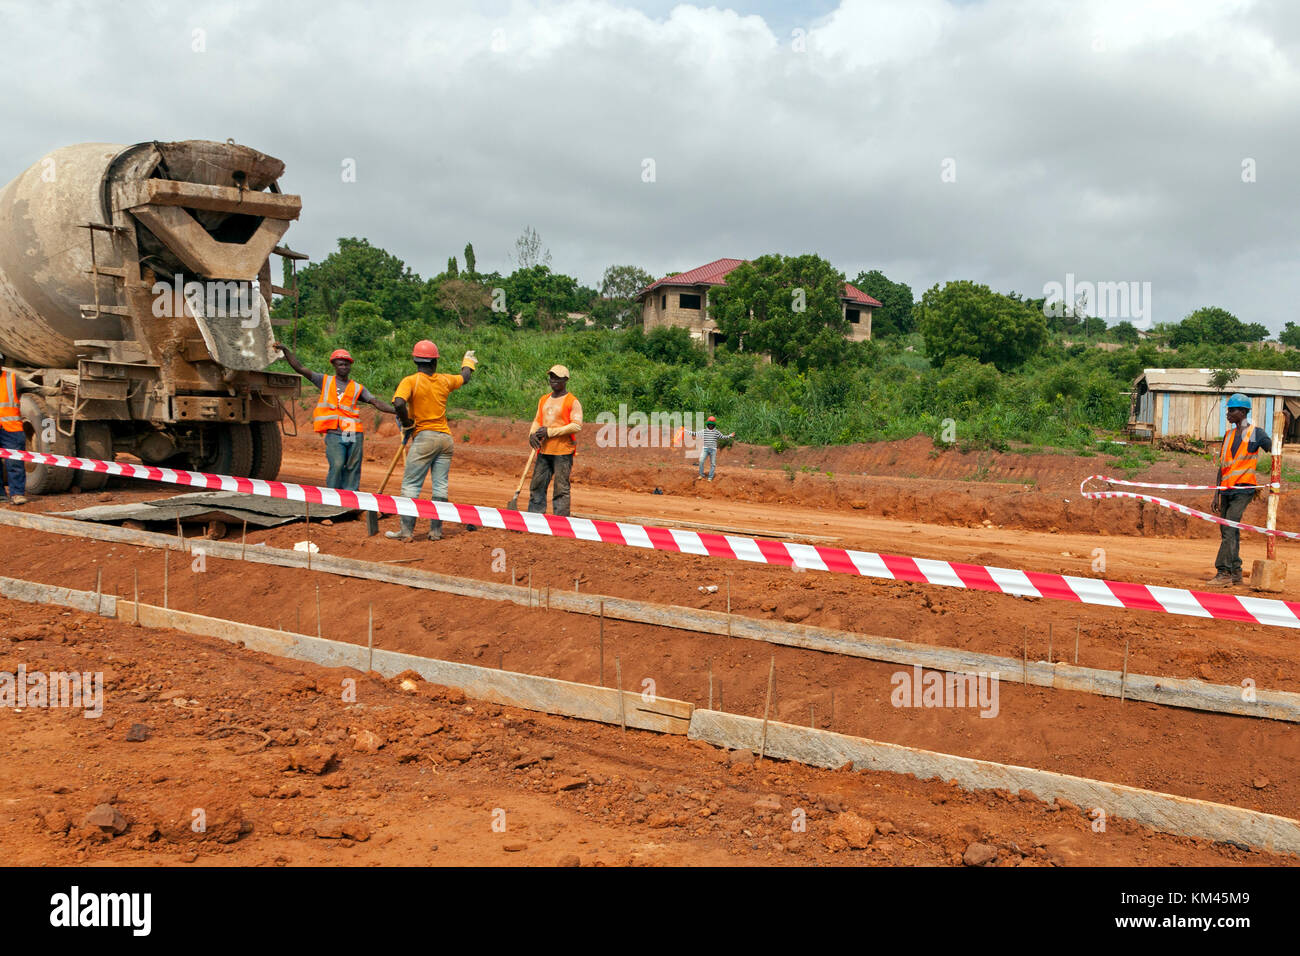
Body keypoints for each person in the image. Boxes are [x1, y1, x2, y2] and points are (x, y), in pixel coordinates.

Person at [387, 340, 477, 541]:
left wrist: (406, 422)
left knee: (411, 485)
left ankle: (407, 531)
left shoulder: (410, 381)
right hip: (445, 439)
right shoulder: (444, 380)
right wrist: (468, 362)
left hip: (425, 438)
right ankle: (436, 531)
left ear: (415, 360)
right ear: (435, 362)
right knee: (440, 486)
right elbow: (465, 377)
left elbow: (399, 402)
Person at [275, 343, 396, 491]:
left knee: (353, 465)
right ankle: (332, 496)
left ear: (350, 366)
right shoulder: (324, 380)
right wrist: (286, 350)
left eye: (346, 364)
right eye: (340, 364)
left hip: (350, 431)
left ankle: (351, 497)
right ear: (334, 365)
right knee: (337, 464)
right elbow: (299, 368)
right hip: (333, 432)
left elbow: (376, 402)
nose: (344, 367)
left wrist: (397, 411)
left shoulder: (357, 387)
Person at [1208, 393, 1272, 587]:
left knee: (1229, 527)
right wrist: (1216, 494)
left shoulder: (1257, 433)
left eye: (1231, 410)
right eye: (1228, 410)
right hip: (1226, 489)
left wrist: (1283, 430)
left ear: (1243, 412)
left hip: (1244, 488)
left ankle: (1223, 572)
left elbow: (1274, 449)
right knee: (1228, 530)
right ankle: (1236, 572)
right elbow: (1222, 466)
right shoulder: (1228, 436)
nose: (1228, 414)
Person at [528, 365, 582, 516]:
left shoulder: (572, 401)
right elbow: (537, 420)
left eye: (557, 378)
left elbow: (576, 426)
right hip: (544, 450)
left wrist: (550, 432)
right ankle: (534, 517)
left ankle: (561, 521)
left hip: (563, 452)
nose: (553, 380)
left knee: (561, 488)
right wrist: (532, 434)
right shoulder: (544, 399)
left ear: (565, 380)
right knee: (537, 485)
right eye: (552, 377)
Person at [0, 351, 48, 506]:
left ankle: (17, 494)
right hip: (10, 428)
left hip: (11, 429)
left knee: (14, 462)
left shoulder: (12, 379)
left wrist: (55, 391)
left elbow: (35, 389)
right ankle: (1, 495)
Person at [685, 415, 735, 481]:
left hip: (713, 450)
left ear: (714, 425)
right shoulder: (704, 431)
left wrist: (730, 435)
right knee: (701, 461)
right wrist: (685, 431)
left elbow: (723, 437)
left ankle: (710, 477)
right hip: (705, 449)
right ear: (708, 424)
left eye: (712, 424)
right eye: (709, 424)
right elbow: (695, 434)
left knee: (713, 464)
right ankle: (701, 475)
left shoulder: (716, 432)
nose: (711, 426)